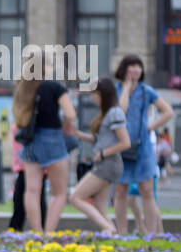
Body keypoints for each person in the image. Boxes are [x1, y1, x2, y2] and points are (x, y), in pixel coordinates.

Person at [13, 54, 77, 233]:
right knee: (59, 193)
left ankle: (37, 232)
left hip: (31, 141)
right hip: (53, 139)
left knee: (32, 190)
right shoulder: (55, 86)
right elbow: (70, 114)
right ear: (45, 67)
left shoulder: (23, 87)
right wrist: (65, 123)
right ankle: (48, 233)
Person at [114, 56, 174, 235]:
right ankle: (122, 233)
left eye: (139, 66)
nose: (136, 70)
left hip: (143, 147)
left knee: (147, 190)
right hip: (122, 146)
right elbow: (120, 112)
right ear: (124, 69)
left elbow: (168, 112)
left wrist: (150, 127)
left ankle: (151, 234)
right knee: (120, 190)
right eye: (132, 66)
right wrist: (126, 89)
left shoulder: (147, 91)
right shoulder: (116, 90)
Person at [69, 78, 129, 233]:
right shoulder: (107, 113)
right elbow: (99, 140)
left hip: (107, 164)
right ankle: (113, 236)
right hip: (106, 164)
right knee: (99, 206)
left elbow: (125, 142)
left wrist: (103, 154)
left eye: (94, 93)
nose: (92, 97)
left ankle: (108, 228)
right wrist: (77, 134)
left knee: (75, 197)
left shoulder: (114, 113)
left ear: (104, 94)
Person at [7, 120, 46, 232]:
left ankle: (16, 229)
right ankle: (18, 229)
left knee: (24, 199)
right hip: (26, 166)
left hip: (32, 165)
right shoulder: (21, 121)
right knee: (23, 199)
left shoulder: (31, 120)